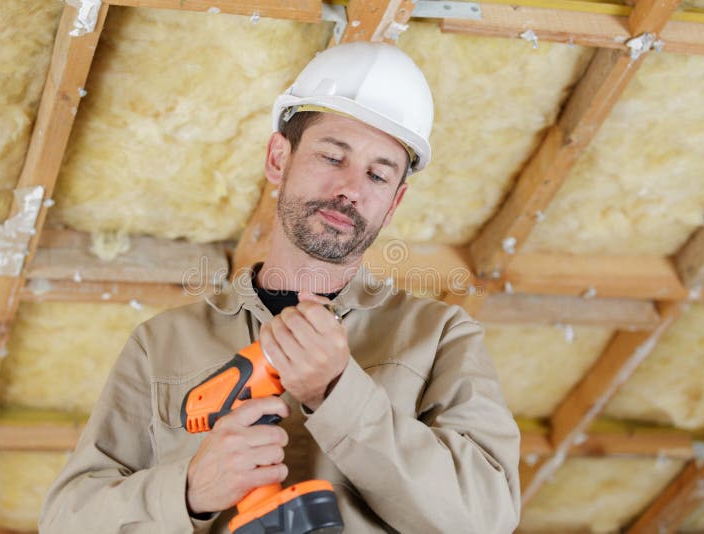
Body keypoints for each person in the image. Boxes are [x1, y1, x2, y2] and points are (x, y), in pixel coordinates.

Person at [40, 41, 520, 533]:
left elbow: (486, 517)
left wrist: (338, 393)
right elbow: (65, 520)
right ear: (277, 158)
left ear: (393, 204)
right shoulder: (161, 346)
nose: (351, 188)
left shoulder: (440, 337)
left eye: (377, 175)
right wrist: (188, 491)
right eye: (333, 157)